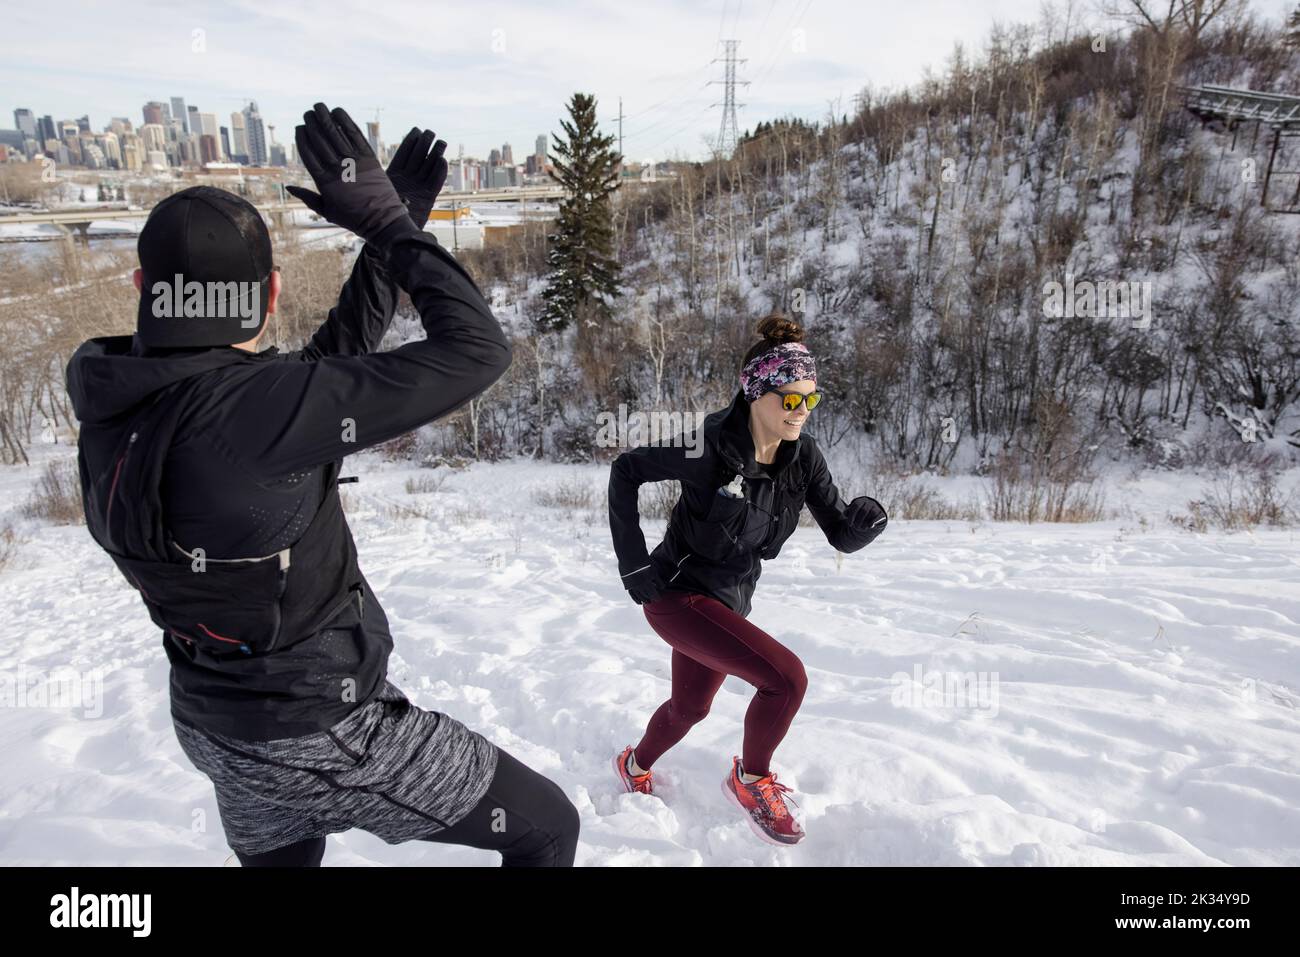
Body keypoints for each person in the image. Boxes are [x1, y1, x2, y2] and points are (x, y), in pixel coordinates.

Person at [66, 103, 578, 867]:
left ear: (144, 285)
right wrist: (390, 230)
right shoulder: (250, 411)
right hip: (319, 729)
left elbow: (318, 386)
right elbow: (477, 351)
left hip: (216, 722)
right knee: (546, 828)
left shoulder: (115, 396)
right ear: (271, 293)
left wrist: (388, 233)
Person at [606, 314, 888, 845]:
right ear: (757, 392)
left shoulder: (803, 457)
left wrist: (864, 523)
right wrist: (633, 561)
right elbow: (626, 471)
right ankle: (751, 779)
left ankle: (634, 762)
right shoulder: (708, 444)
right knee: (786, 679)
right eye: (790, 399)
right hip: (675, 593)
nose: (801, 411)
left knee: (690, 707)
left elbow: (841, 535)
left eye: (811, 399)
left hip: (729, 603)